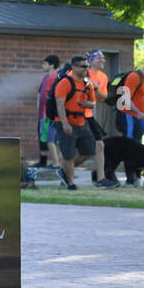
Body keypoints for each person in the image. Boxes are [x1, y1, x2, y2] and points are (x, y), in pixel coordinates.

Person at [53, 55, 99, 191]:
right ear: (74, 67)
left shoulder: (87, 84)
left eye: (87, 66)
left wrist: (88, 104)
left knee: (89, 151)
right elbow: (59, 105)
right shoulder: (65, 83)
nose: (86, 69)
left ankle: (64, 171)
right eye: (83, 66)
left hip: (82, 122)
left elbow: (93, 103)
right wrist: (64, 124)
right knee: (68, 154)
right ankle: (70, 183)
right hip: (66, 122)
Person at [82, 51, 118, 187]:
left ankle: (101, 179)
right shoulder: (82, 72)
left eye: (103, 57)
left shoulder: (103, 77)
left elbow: (102, 98)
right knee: (83, 149)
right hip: (75, 114)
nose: (103, 60)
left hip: (88, 115)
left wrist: (94, 86)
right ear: (90, 60)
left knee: (99, 145)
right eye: (99, 57)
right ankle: (66, 171)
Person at [35, 55, 63, 168]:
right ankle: (59, 162)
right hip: (43, 113)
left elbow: (51, 97)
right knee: (50, 139)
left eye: (45, 64)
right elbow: (40, 94)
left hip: (48, 114)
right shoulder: (47, 77)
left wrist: (48, 112)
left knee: (49, 139)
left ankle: (57, 163)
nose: (43, 66)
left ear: (51, 65)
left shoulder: (54, 77)